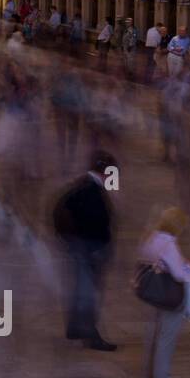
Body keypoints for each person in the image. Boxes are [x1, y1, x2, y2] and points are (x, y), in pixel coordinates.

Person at [53, 150, 119, 351]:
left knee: (80, 290)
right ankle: (91, 336)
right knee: (88, 294)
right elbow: (95, 222)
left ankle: (74, 328)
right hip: (89, 249)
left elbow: (60, 210)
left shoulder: (82, 184)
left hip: (80, 247)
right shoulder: (91, 189)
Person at [138, 207, 190, 378]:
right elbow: (178, 273)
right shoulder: (169, 245)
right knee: (166, 339)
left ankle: (148, 376)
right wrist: (189, 268)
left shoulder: (151, 238)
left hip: (153, 293)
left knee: (153, 335)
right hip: (170, 296)